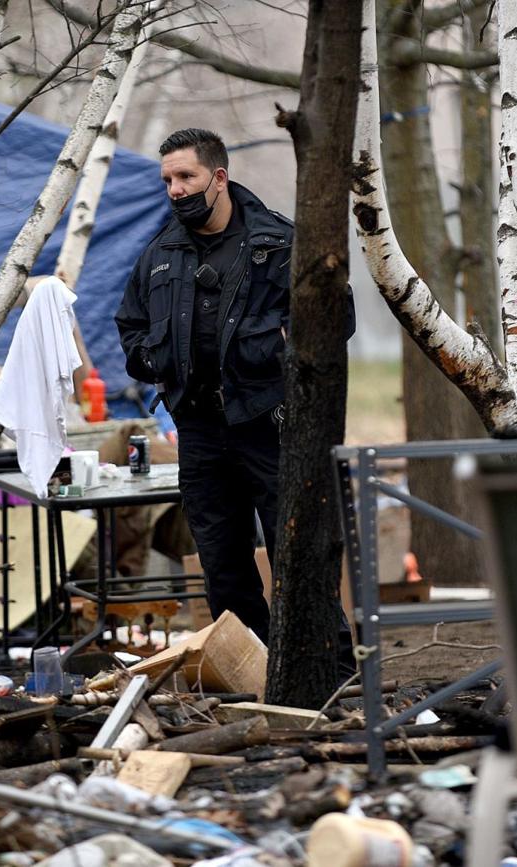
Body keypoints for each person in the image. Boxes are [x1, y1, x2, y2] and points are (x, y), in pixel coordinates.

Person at [114, 128, 354, 649]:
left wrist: (276, 348)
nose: (175, 189)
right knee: (222, 564)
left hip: (270, 426)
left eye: (186, 177)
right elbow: (129, 328)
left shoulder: (278, 244)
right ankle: (249, 674)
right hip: (199, 431)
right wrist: (157, 360)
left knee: (297, 554)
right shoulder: (161, 253)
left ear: (218, 178)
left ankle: (327, 671)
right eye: (168, 180)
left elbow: (336, 317)